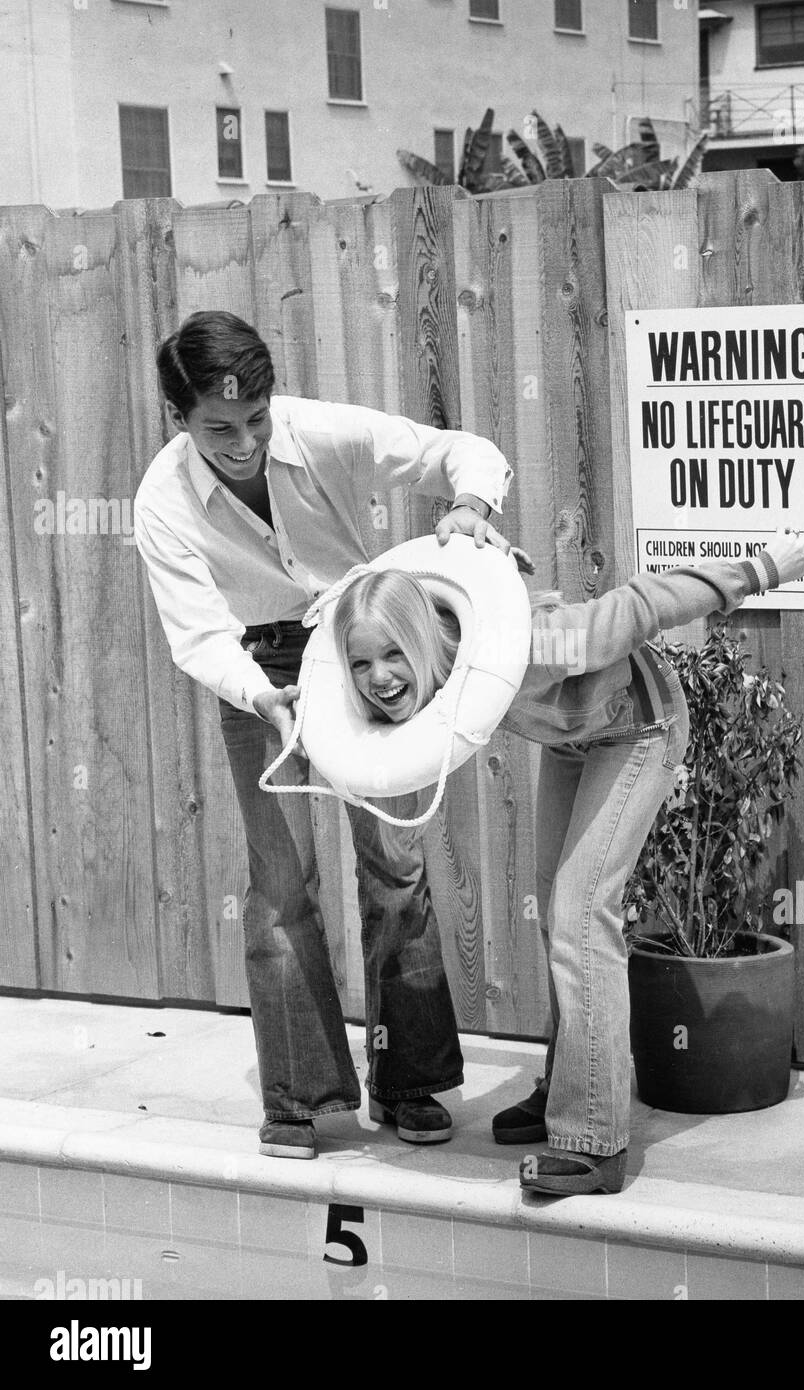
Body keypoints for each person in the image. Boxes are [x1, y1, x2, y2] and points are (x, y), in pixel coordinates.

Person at [330, 518, 804, 1194]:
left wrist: (758, 569)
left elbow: (638, 607)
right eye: (360, 663)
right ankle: (569, 1083)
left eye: (391, 654)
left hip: (639, 727)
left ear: (420, 639)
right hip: (573, 740)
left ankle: (594, 1139)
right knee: (555, 918)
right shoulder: (427, 681)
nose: (378, 677)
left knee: (580, 916)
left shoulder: (524, 646)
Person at [133, 309, 529, 1160]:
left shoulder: (320, 432)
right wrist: (262, 698)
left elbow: (463, 451)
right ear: (180, 419)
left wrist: (466, 506)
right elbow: (197, 635)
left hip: (362, 651)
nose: (241, 443)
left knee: (397, 868)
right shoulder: (161, 500)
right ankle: (301, 1099)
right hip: (257, 671)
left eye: (255, 421)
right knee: (281, 886)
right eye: (218, 429)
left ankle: (411, 1082)